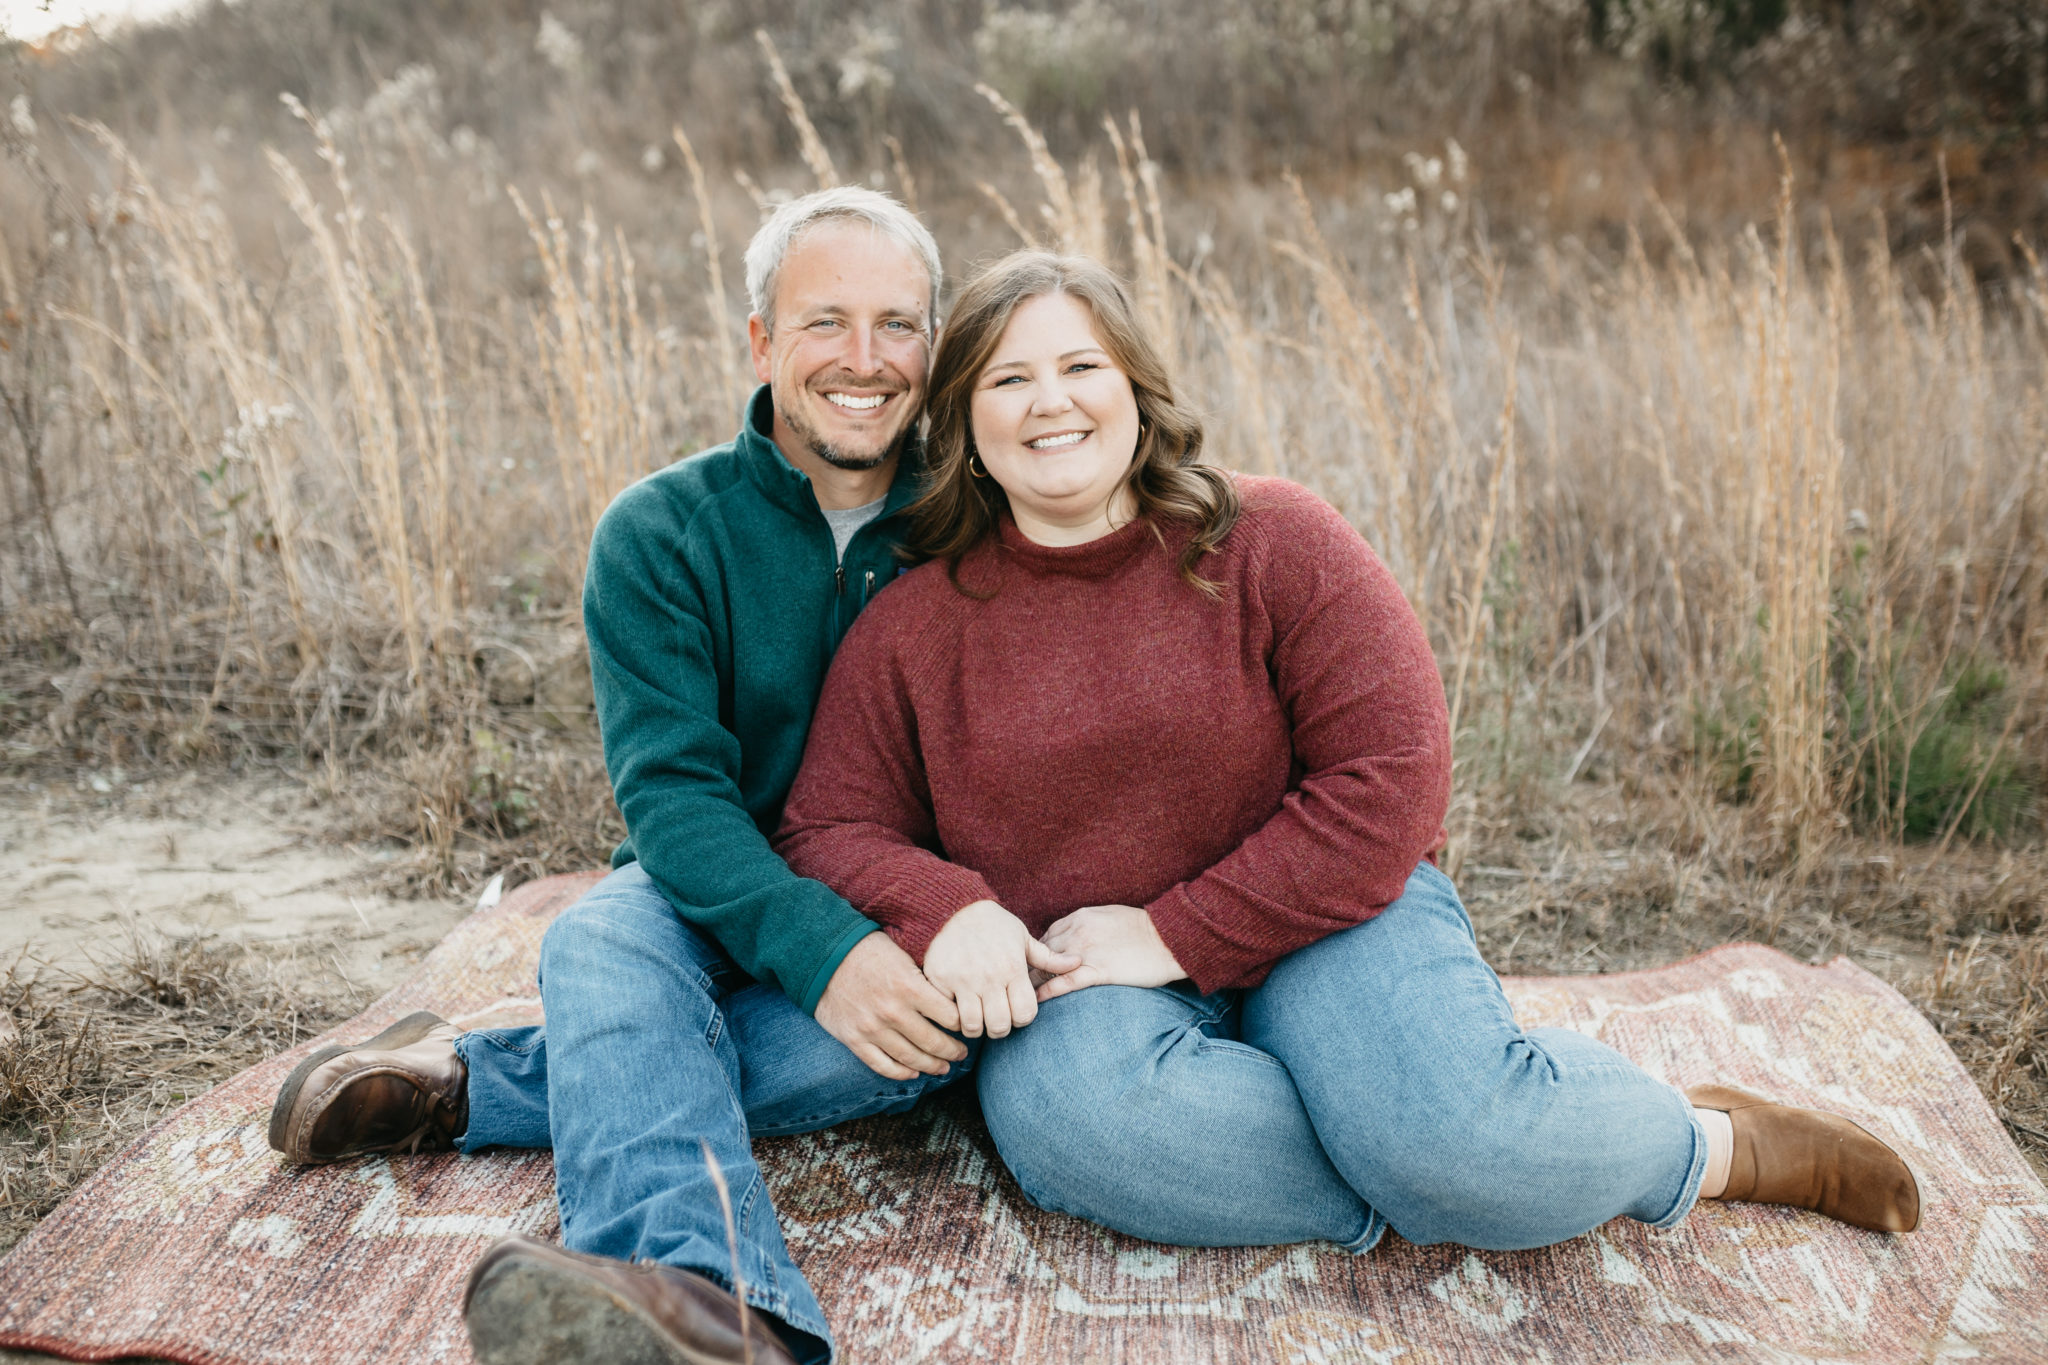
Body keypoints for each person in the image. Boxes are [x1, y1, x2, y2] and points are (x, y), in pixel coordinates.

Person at [773, 250, 1922, 1259]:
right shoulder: (917, 624)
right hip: (1085, 978)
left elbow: (1391, 780)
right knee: (1077, 1133)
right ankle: (1458, 1147)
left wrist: (1174, 932)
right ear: (963, 424)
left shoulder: (1270, 537)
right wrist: (951, 908)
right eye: (1007, 380)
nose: (1050, 404)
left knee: (1459, 1141)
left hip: (1330, 921)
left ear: (1133, 385)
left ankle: (1702, 1144)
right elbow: (828, 824)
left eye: (1080, 366)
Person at [264, 188, 1061, 1365]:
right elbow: (675, 801)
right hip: (710, 878)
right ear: (758, 341)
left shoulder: (986, 516)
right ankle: (713, 1302)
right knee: (597, 948)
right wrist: (817, 950)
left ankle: (472, 1087)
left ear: (933, 346)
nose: (863, 360)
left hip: (909, 896)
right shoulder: (660, 531)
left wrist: (897, 934)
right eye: (822, 322)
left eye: (897, 325)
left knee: (924, 1036)